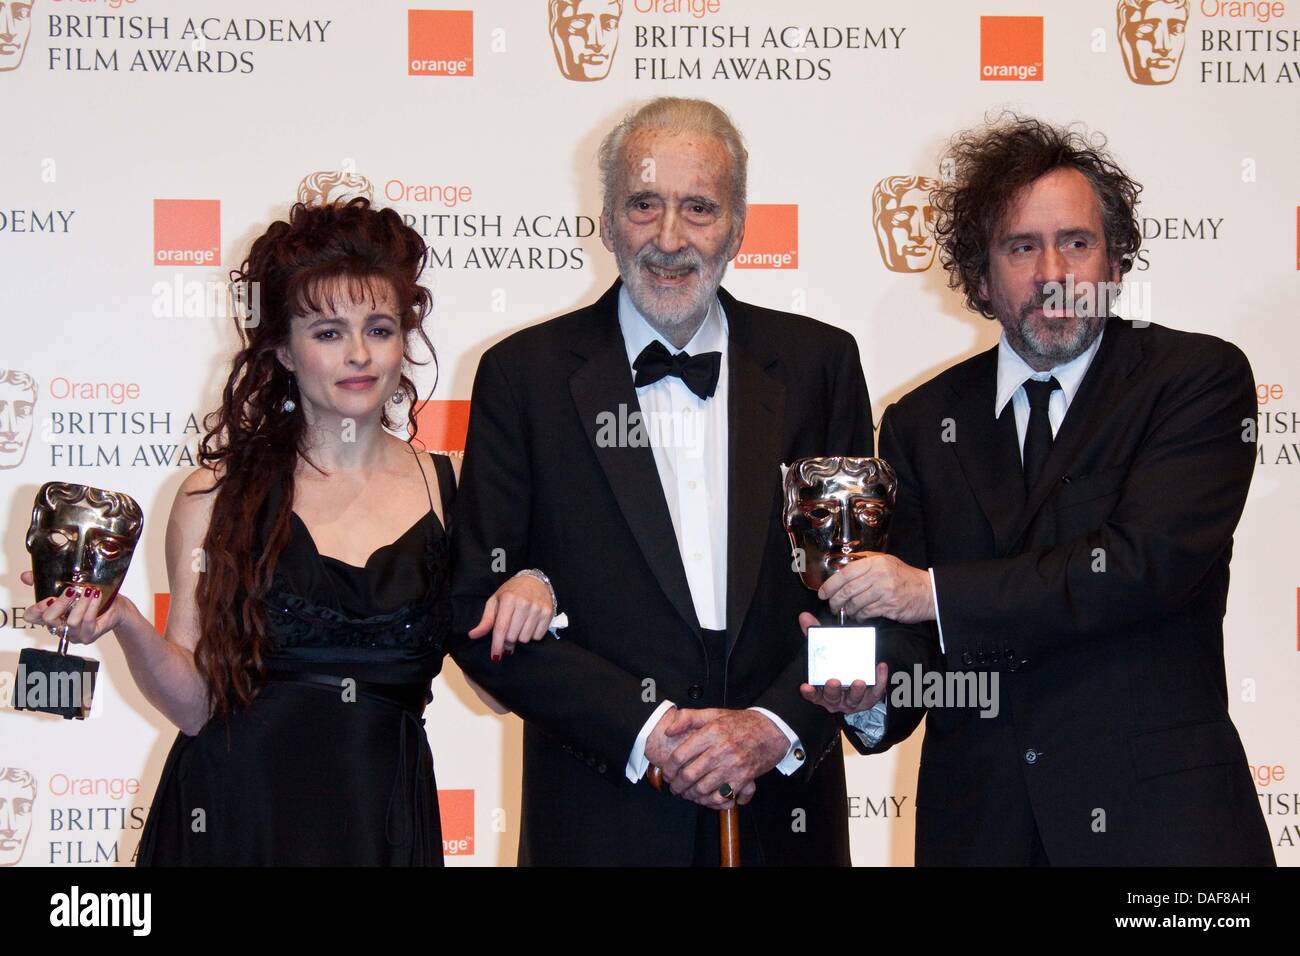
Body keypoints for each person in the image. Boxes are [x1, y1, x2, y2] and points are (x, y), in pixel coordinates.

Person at [22, 198, 555, 865]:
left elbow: (495, 693)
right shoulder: (214, 498)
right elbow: (194, 708)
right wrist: (126, 620)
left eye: (380, 328)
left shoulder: (449, 491)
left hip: (378, 828)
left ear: (404, 341)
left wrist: (534, 594)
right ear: (282, 348)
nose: (358, 353)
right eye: (328, 332)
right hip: (232, 822)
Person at [802, 115, 1275, 865]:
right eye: (1022, 247)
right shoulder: (924, 422)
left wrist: (930, 594)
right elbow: (912, 637)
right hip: (980, 830)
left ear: (1116, 262)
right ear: (982, 279)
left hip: (1161, 832)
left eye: (1076, 243)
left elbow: (1138, 566)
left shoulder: (1196, 382)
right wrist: (872, 691)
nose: (1053, 271)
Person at [448, 97, 873, 865]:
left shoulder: (820, 364)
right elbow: (478, 613)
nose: (670, 238)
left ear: (740, 227)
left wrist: (774, 727)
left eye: (699, 208)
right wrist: (648, 734)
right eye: (644, 204)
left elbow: (862, 589)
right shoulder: (523, 377)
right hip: (598, 814)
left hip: (786, 814)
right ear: (606, 221)